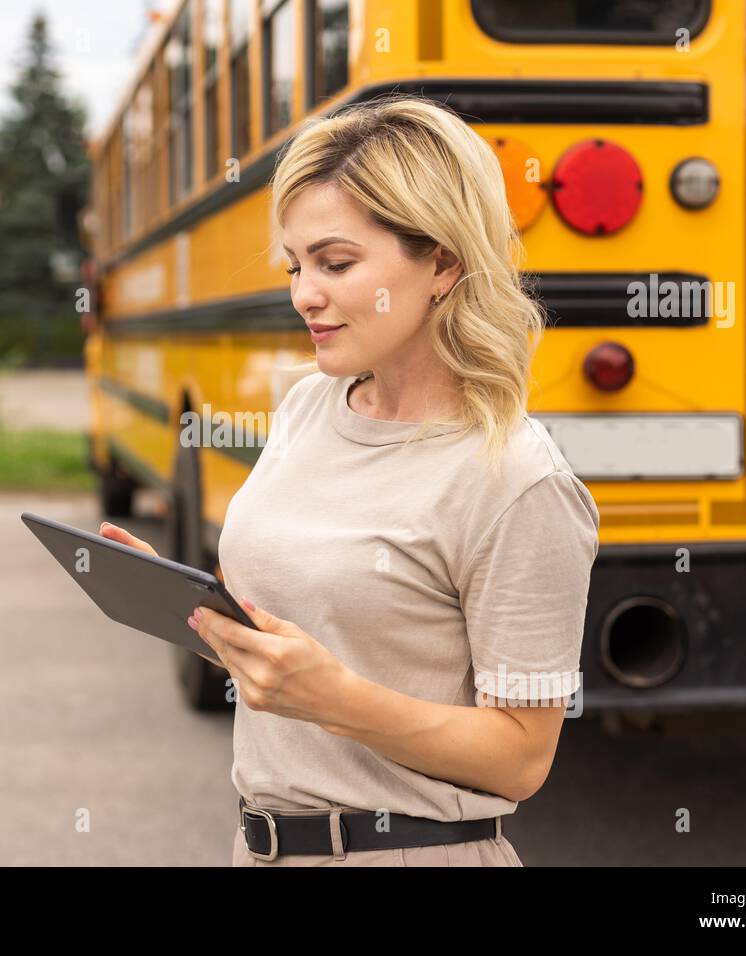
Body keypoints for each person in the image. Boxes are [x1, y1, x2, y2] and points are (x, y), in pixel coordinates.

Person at [101, 96, 600, 866]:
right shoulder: (308, 407)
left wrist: (338, 702)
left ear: (443, 262)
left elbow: (521, 759)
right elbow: (295, 643)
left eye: (335, 264)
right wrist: (186, 609)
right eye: (296, 266)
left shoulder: (516, 481)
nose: (304, 292)